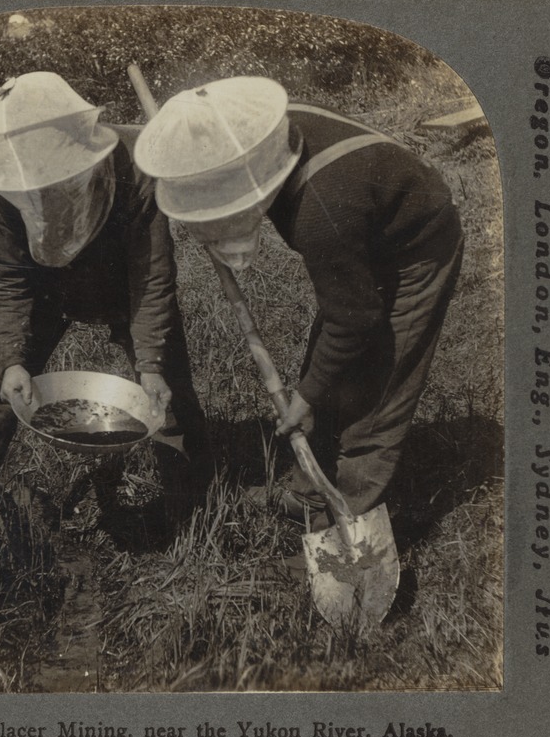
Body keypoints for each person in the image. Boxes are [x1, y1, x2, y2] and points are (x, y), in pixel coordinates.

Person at [134, 76, 464, 531]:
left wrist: (305, 397)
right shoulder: (269, 133)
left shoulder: (323, 209)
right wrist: (315, 390)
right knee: (328, 370)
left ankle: (349, 522)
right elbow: (347, 313)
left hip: (416, 248)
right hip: (363, 229)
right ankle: (309, 496)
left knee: (377, 394)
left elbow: (355, 317)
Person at [0, 72, 210, 506]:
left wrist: (150, 360)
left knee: (168, 395)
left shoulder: (135, 167)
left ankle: (193, 505)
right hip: (46, 289)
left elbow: (152, 274)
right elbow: (4, 277)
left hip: (127, 287)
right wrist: (14, 359)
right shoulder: (4, 192)